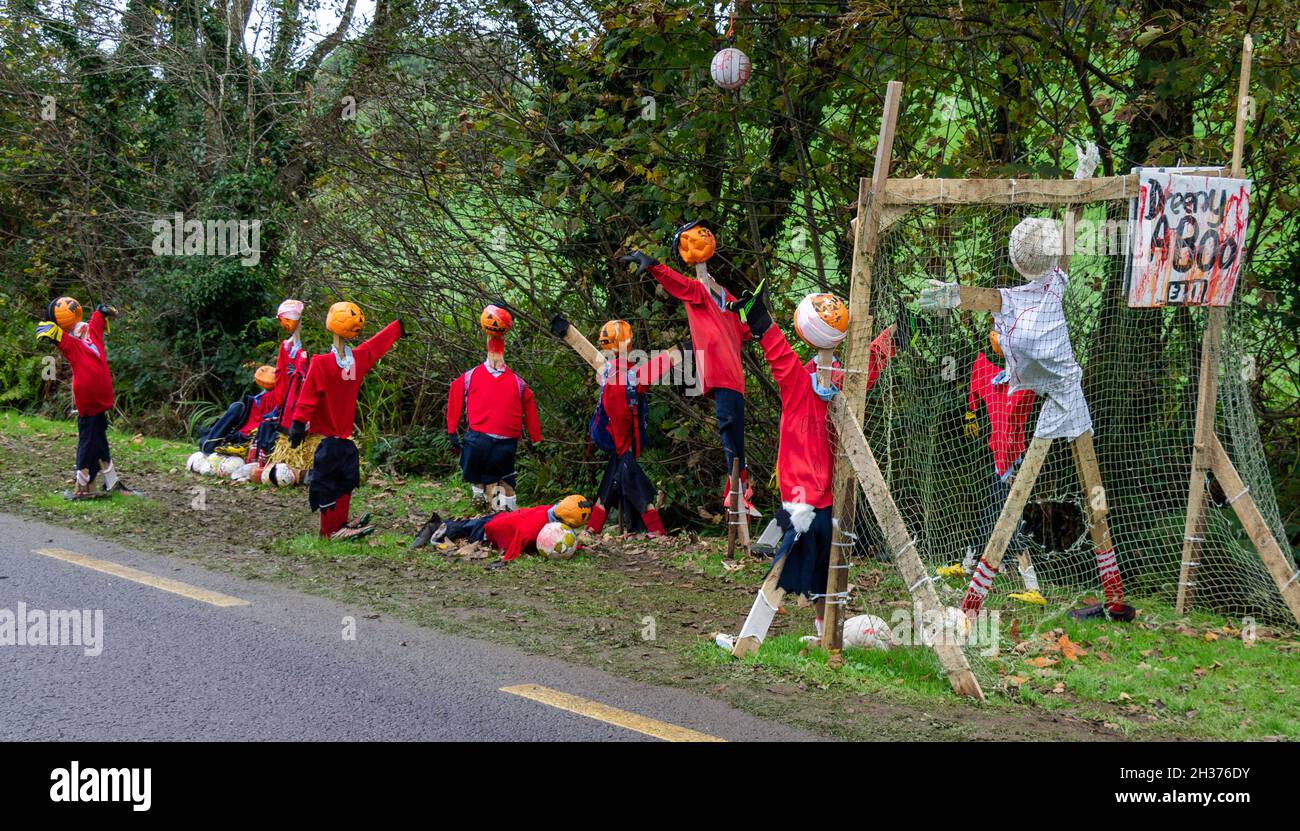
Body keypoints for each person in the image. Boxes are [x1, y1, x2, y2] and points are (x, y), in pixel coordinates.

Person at [715, 289, 895, 654]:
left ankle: (799, 637)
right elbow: (778, 351)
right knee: (795, 566)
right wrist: (758, 315)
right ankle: (766, 637)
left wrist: (894, 336)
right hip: (805, 498)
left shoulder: (838, 387)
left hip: (821, 497)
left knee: (809, 568)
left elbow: (867, 366)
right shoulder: (800, 384)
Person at [620, 221, 756, 516]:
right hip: (722, 377)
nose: (700, 240)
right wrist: (655, 266)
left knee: (734, 439)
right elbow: (680, 284)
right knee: (731, 435)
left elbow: (747, 328)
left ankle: (738, 492)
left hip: (732, 378)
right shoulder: (699, 292)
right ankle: (737, 493)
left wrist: (752, 313)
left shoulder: (726, 297)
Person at [289, 302, 403, 540]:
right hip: (334, 439)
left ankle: (337, 525)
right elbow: (373, 348)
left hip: (335, 439)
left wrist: (298, 423)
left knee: (340, 481)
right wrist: (396, 329)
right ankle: (330, 529)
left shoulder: (337, 361)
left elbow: (307, 398)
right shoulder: (341, 361)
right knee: (335, 482)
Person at [552, 316, 673, 537]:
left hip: (614, 441)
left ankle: (595, 527)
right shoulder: (633, 375)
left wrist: (566, 330)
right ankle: (655, 529)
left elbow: (586, 351)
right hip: (622, 443)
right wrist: (687, 348)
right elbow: (663, 362)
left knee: (616, 475)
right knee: (630, 475)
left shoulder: (607, 371)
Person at [35, 297, 133, 499]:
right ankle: (82, 483)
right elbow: (49, 331)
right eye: (78, 328)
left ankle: (111, 481)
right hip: (88, 399)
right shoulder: (70, 344)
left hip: (101, 397)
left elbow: (97, 318)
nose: (83, 329)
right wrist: (52, 323)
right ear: (69, 329)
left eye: (83, 326)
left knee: (98, 436)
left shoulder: (93, 335)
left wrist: (103, 311)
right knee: (89, 440)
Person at [446, 304, 542, 511]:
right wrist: (451, 428)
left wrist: (535, 435)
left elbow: (529, 403)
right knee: (484, 468)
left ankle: (497, 508)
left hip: (499, 441)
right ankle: (489, 501)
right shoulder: (475, 377)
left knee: (499, 475)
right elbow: (455, 394)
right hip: (485, 438)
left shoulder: (517, 383)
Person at [410, 494, 592, 569]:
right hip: (491, 529)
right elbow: (521, 536)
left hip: (506, 517)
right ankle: (438, 526)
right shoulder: (536, 526)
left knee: (473, 522)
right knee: (468, 527)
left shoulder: (550, 511)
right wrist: (505, 560)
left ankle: (445, 525)